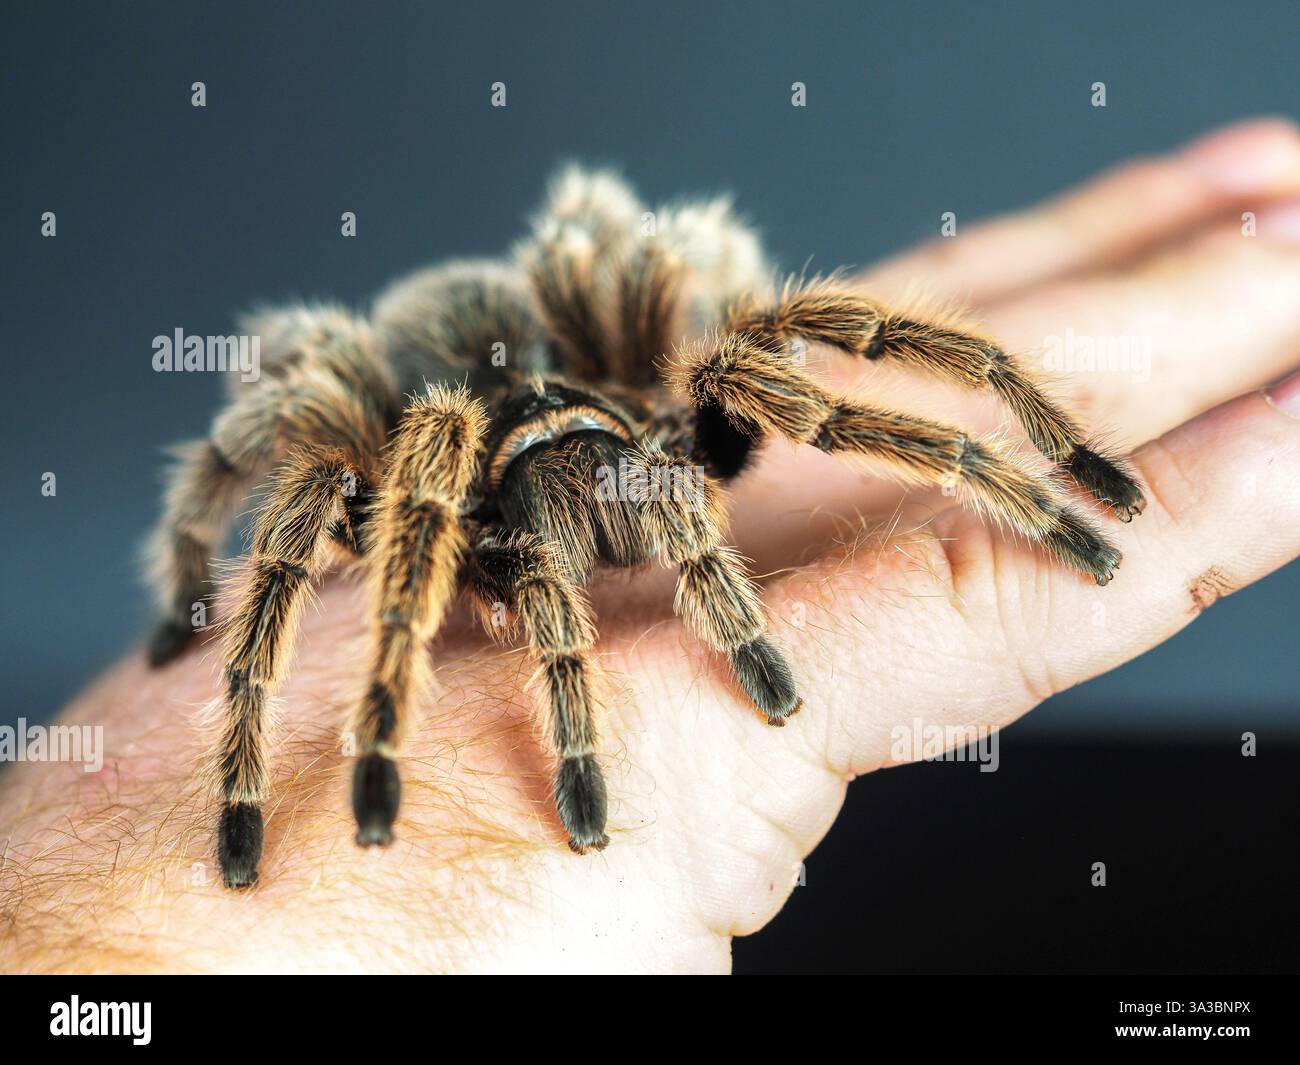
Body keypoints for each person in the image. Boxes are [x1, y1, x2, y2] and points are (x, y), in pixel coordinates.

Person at [4, 117, 1300, 974]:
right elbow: (296, 465)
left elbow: (722, 294)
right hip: (448, 426)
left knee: (741, 306)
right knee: (317, 399)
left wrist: (987, 454)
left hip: (600, 393)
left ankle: (1011, 446)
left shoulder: (674, 398)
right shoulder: (422, 461)